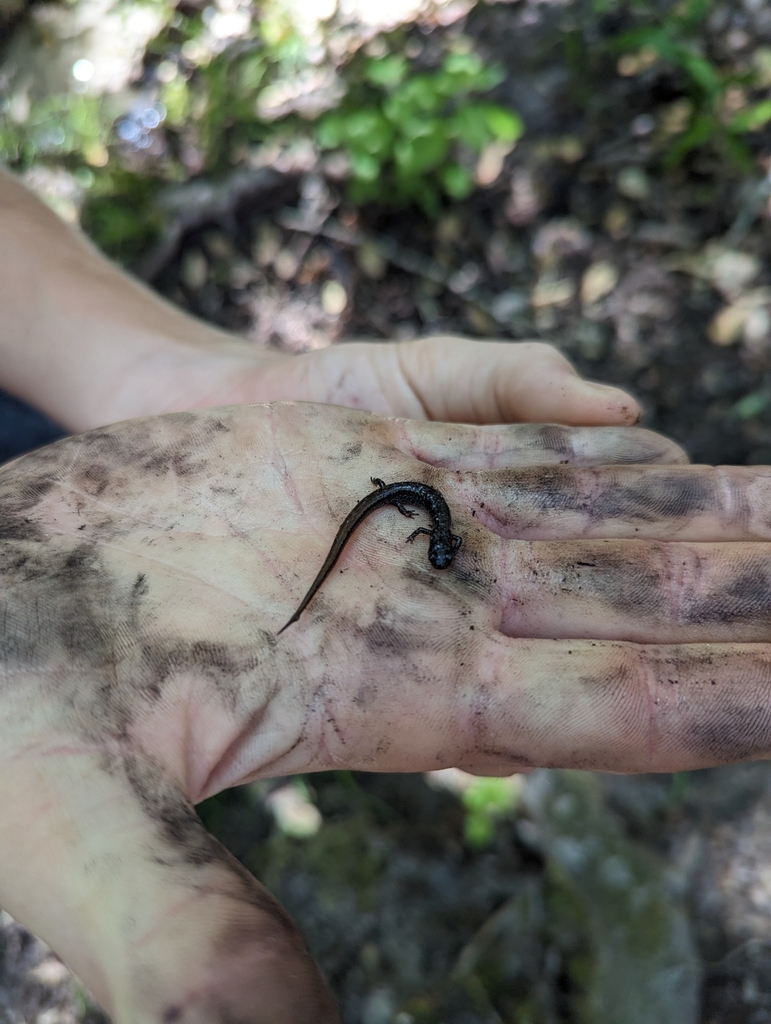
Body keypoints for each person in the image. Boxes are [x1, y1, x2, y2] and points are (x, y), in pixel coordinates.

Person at [3, 166, 771, 1022]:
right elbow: (413, 514)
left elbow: (424, 519)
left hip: (57, 439)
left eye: (441, 551)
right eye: (440, 552)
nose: (442, 555)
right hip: (311, 492)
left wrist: (170, 382)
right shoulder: (427, 527)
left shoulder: (437, 532)